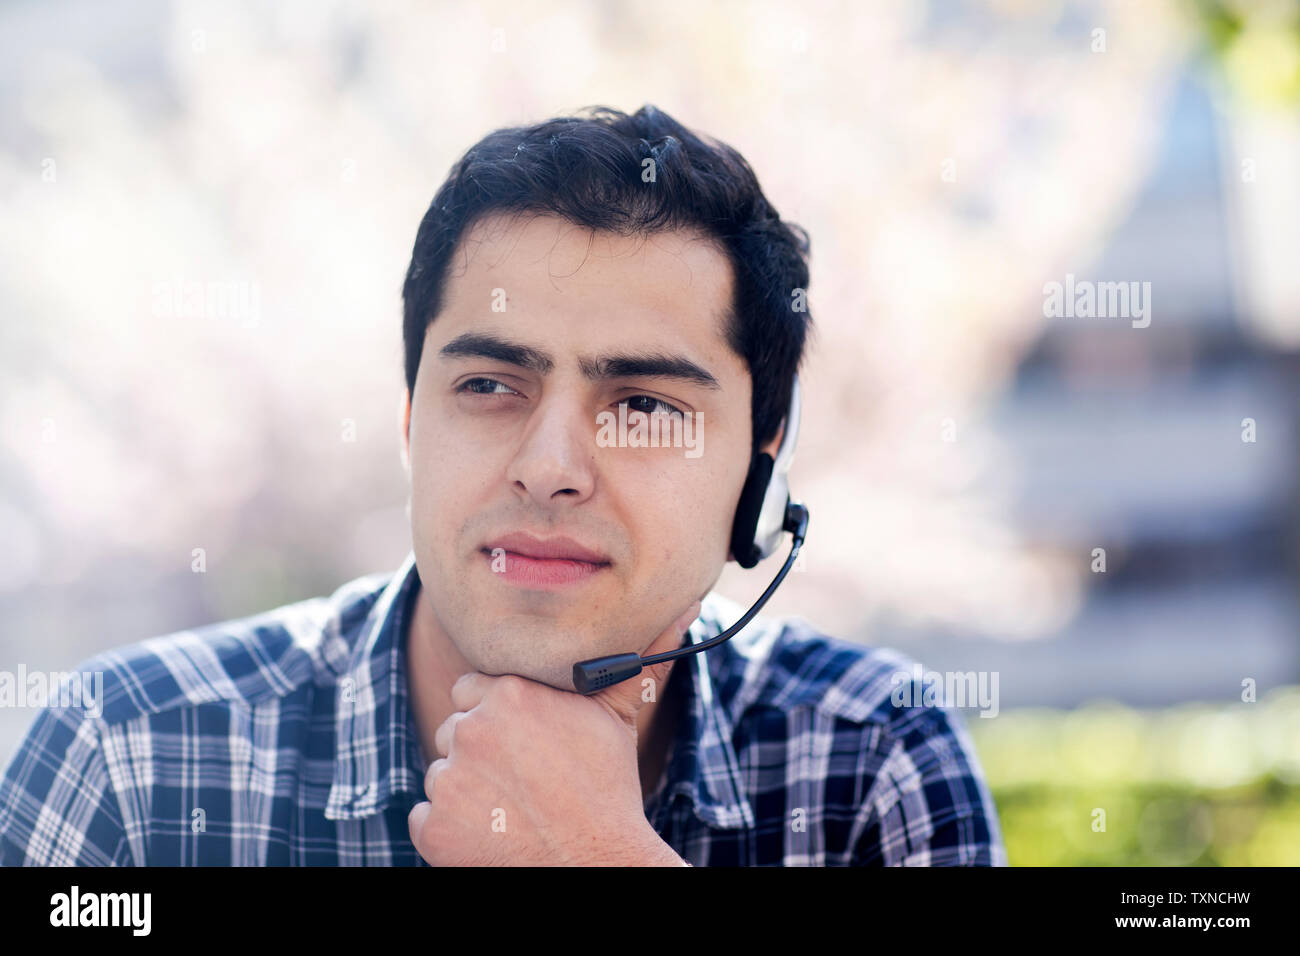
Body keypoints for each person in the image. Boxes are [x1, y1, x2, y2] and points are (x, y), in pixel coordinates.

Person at [0, 105, 1006, 866]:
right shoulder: (129, 755)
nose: (548, 465)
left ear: (761, 462)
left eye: (643, 404)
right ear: (409, 418)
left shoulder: (874, 756)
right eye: (488, 384)